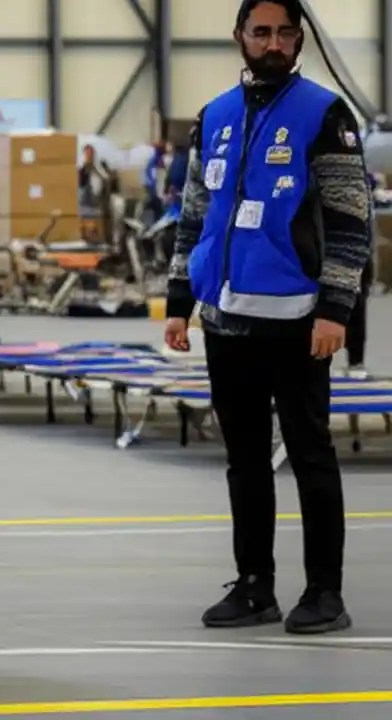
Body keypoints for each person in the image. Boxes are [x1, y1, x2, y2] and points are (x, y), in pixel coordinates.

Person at [163, 0, 372, 635]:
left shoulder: (324, 116)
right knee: (245, 459)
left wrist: (336, 309)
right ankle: (255, 585)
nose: (274, 42)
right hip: (226, 319)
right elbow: (195, 214)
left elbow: (349, 223)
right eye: (262, 32)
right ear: (240, 38)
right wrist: (179, 301)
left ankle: (325, 593)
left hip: (298, 319)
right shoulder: (216, 117)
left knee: (310, 456)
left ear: (299, 39)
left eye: (285, 32)